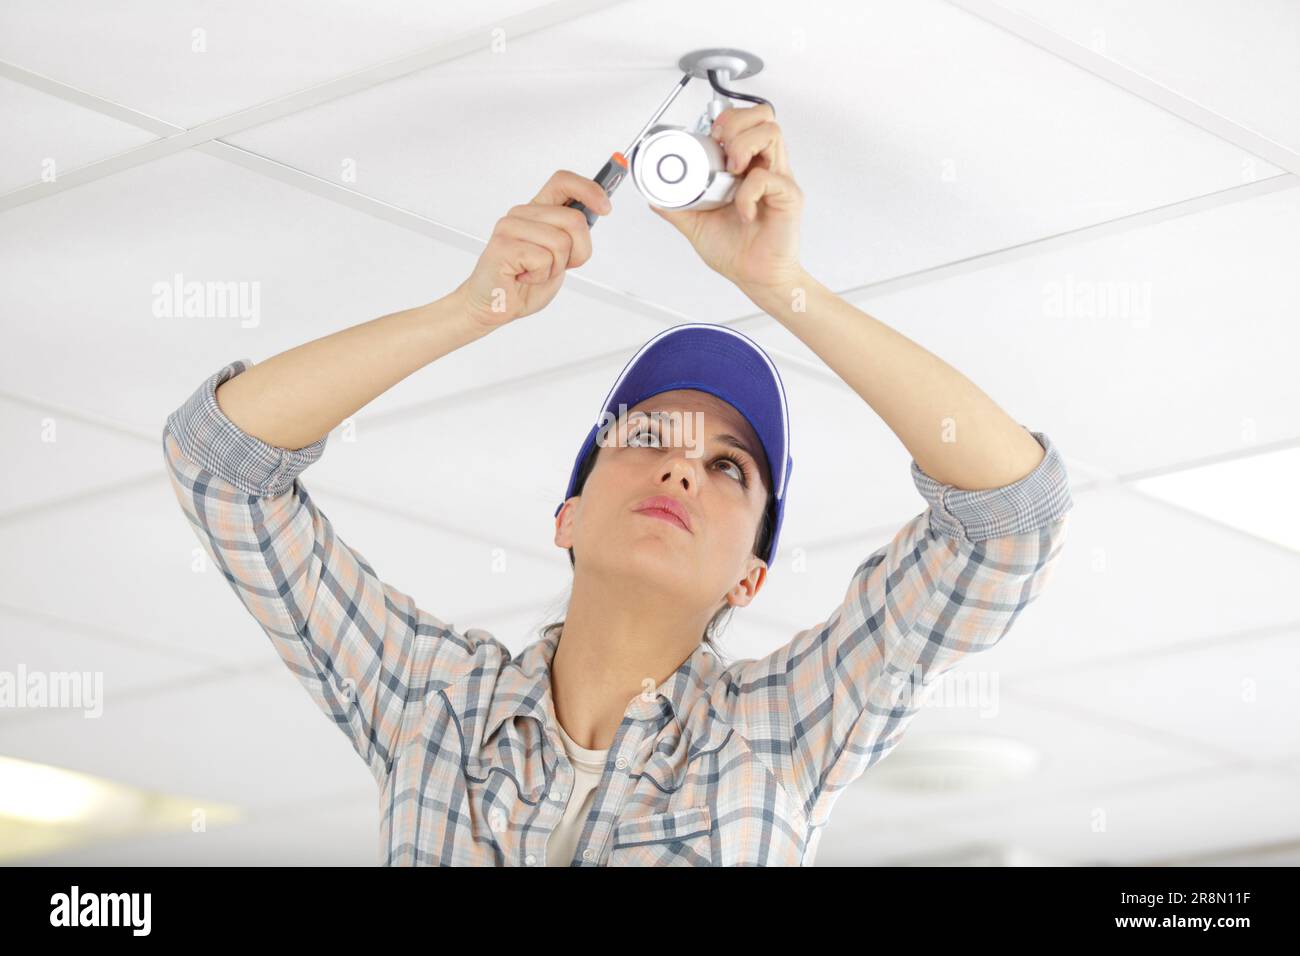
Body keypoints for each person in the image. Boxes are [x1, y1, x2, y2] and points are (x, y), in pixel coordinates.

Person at [162, 103, 1073, 866]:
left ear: (749, 578)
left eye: (728, 466)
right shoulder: (428, 702)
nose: (680, 463)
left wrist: (783, 284)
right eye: (646, 436)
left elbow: (1008, 521)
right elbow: (220, 462)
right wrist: (468, 309)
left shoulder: (780, 733)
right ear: (567, 515)